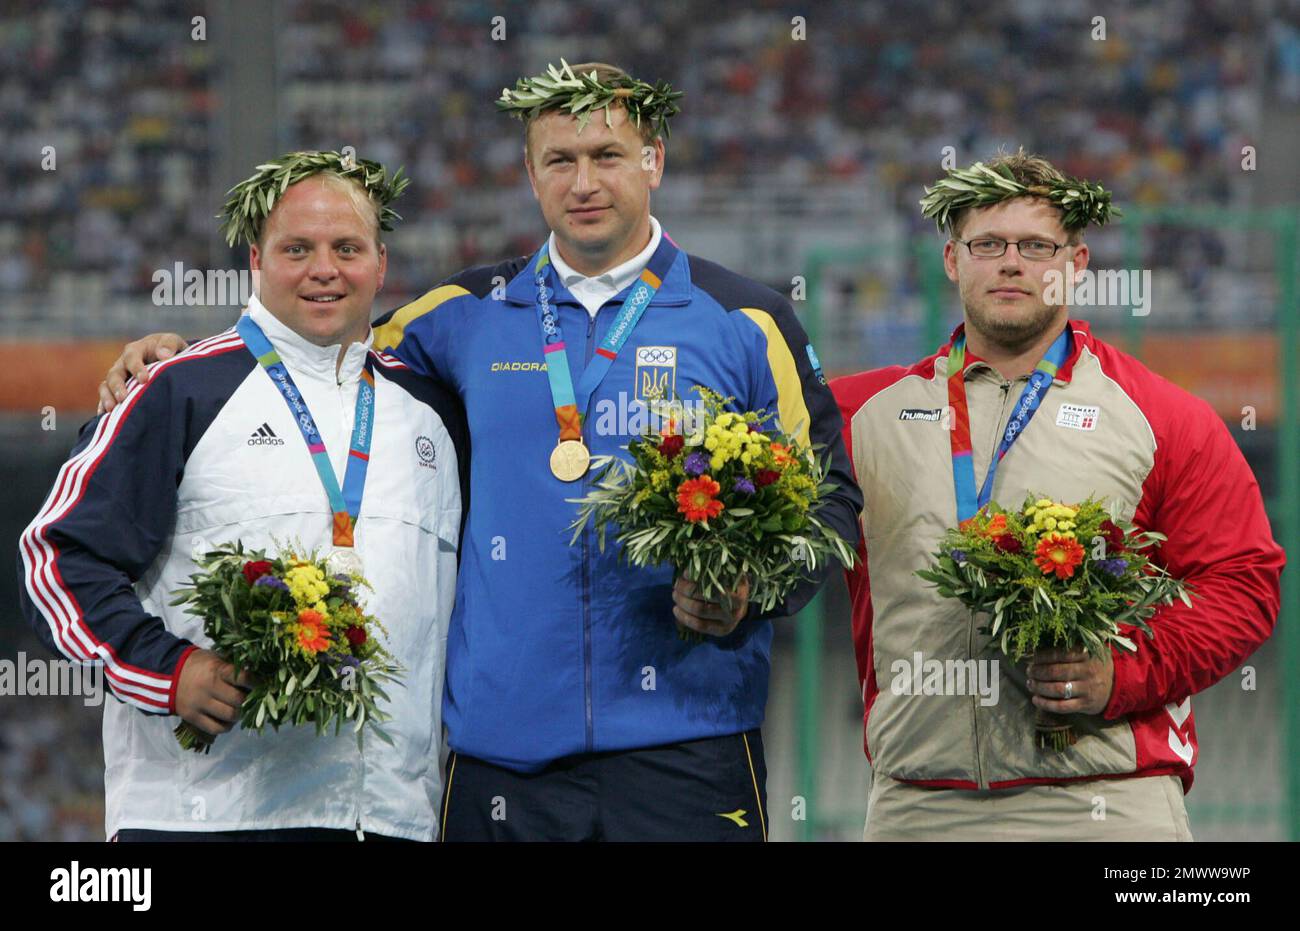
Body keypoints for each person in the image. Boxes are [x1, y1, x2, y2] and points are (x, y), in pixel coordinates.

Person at [99, 61, 863, 842]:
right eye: (559, 160)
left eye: (607, 155)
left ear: (654, 159)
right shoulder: (462, 314)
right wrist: (179, 355)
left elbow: (832, 498)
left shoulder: (747, 319)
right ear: (530, 174)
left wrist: (750, 591)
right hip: (503, 763)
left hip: (690, 747)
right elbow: (316, 342)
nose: (584, 182)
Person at [831, 151, 1284, 841]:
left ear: (1076, 263)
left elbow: (1243, 581)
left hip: (1107, 803)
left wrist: (1125, 670)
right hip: (917, 806)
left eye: (1036, 245)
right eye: (988, 243)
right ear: (952, 259)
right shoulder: (861, 413)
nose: (1011, 262)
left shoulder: (1163, 416)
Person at [21, 152, 468, 841]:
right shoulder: (175, 388)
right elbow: (55, 557)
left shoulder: (434, 412)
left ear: (381, 264)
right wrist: (169, 670)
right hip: (203, 817)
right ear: (256, 260)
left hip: (388, 818)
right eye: (298, 249)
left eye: (347, 248)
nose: (325, 268)